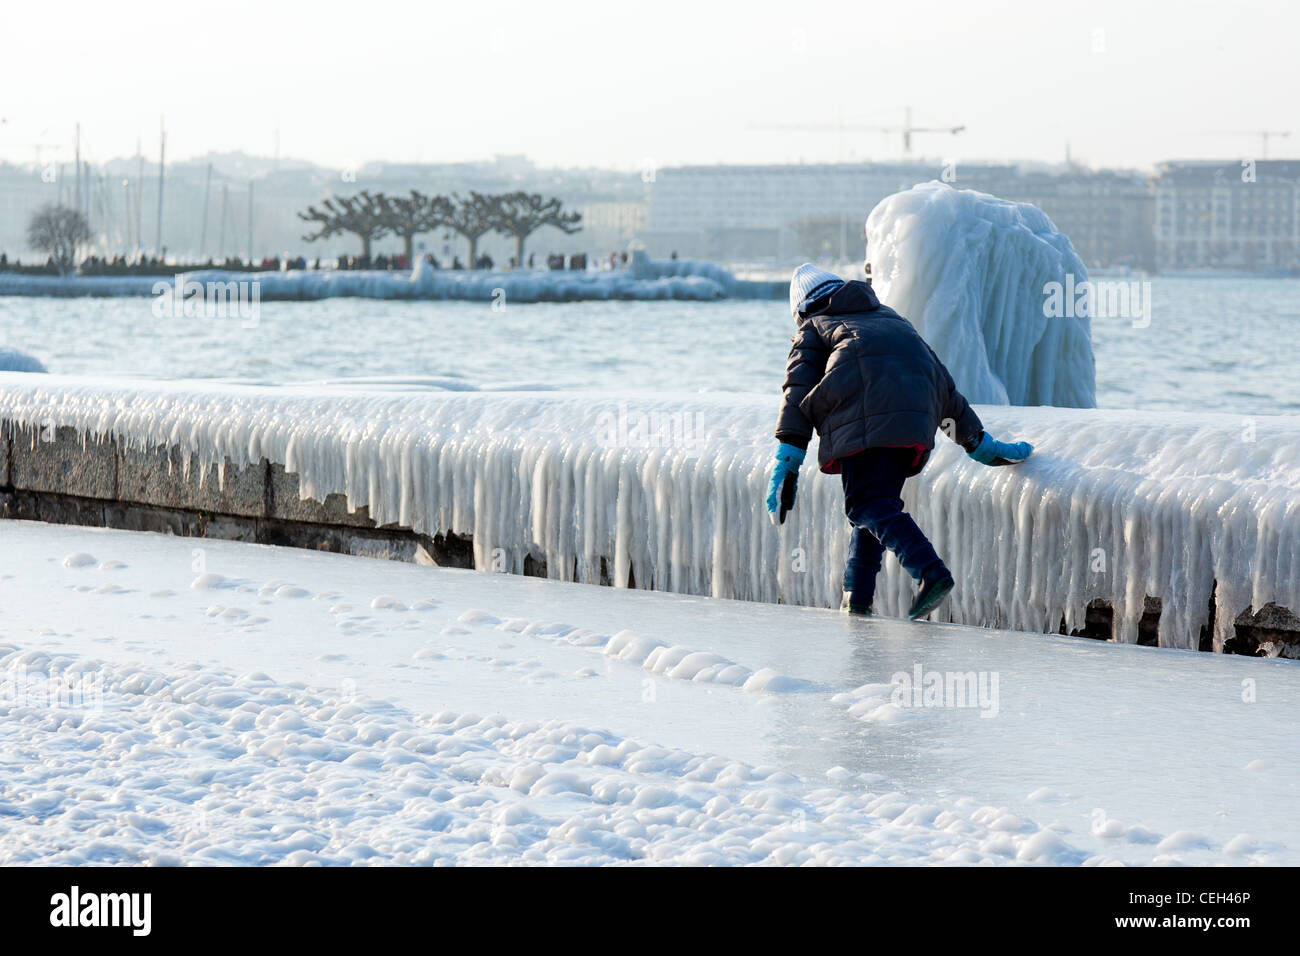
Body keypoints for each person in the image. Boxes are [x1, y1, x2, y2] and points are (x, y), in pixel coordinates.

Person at [766, 263, 1033, 620]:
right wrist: (977, 442)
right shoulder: (893, 321)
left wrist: (787, 461)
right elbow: (941, 383)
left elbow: (796, 393)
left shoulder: (814, 327)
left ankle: (929, 571)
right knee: (875, 506)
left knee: (864, 505)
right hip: (912, 426)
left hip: (864, 422)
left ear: (801, 311)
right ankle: (856, 598)